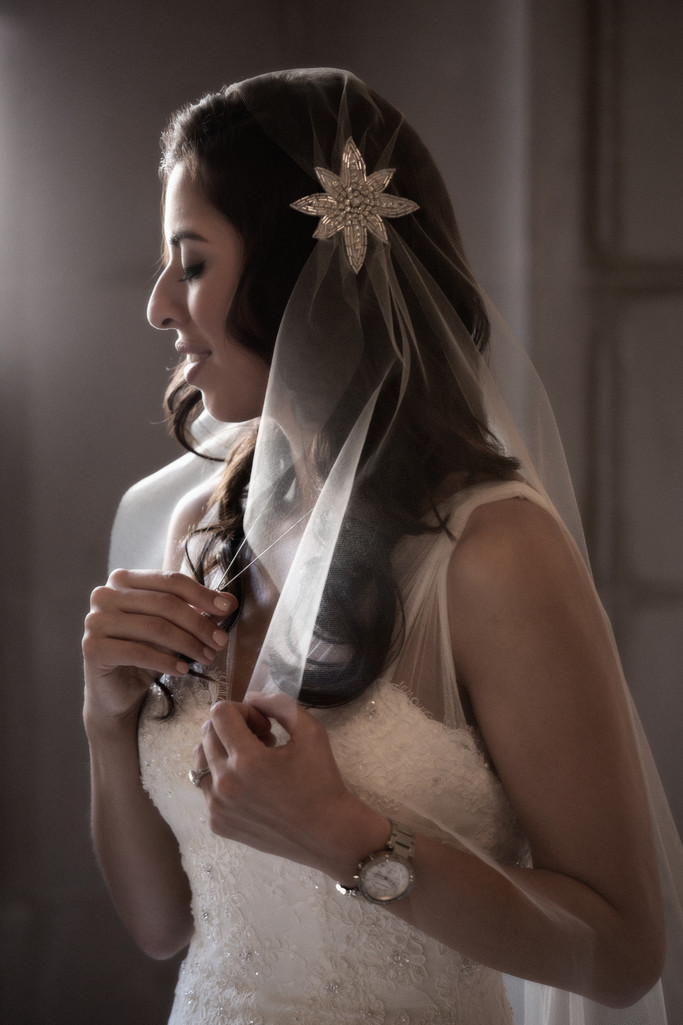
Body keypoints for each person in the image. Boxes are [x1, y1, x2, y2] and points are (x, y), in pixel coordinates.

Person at [82, 69, 683, 1024]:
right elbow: (162, 927)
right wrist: (106, 722)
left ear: (294, 268)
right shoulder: (178, 525)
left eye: (191, 262)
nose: (159, 305)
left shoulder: (487, 552)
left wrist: (349, 841)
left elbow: (620, 953)